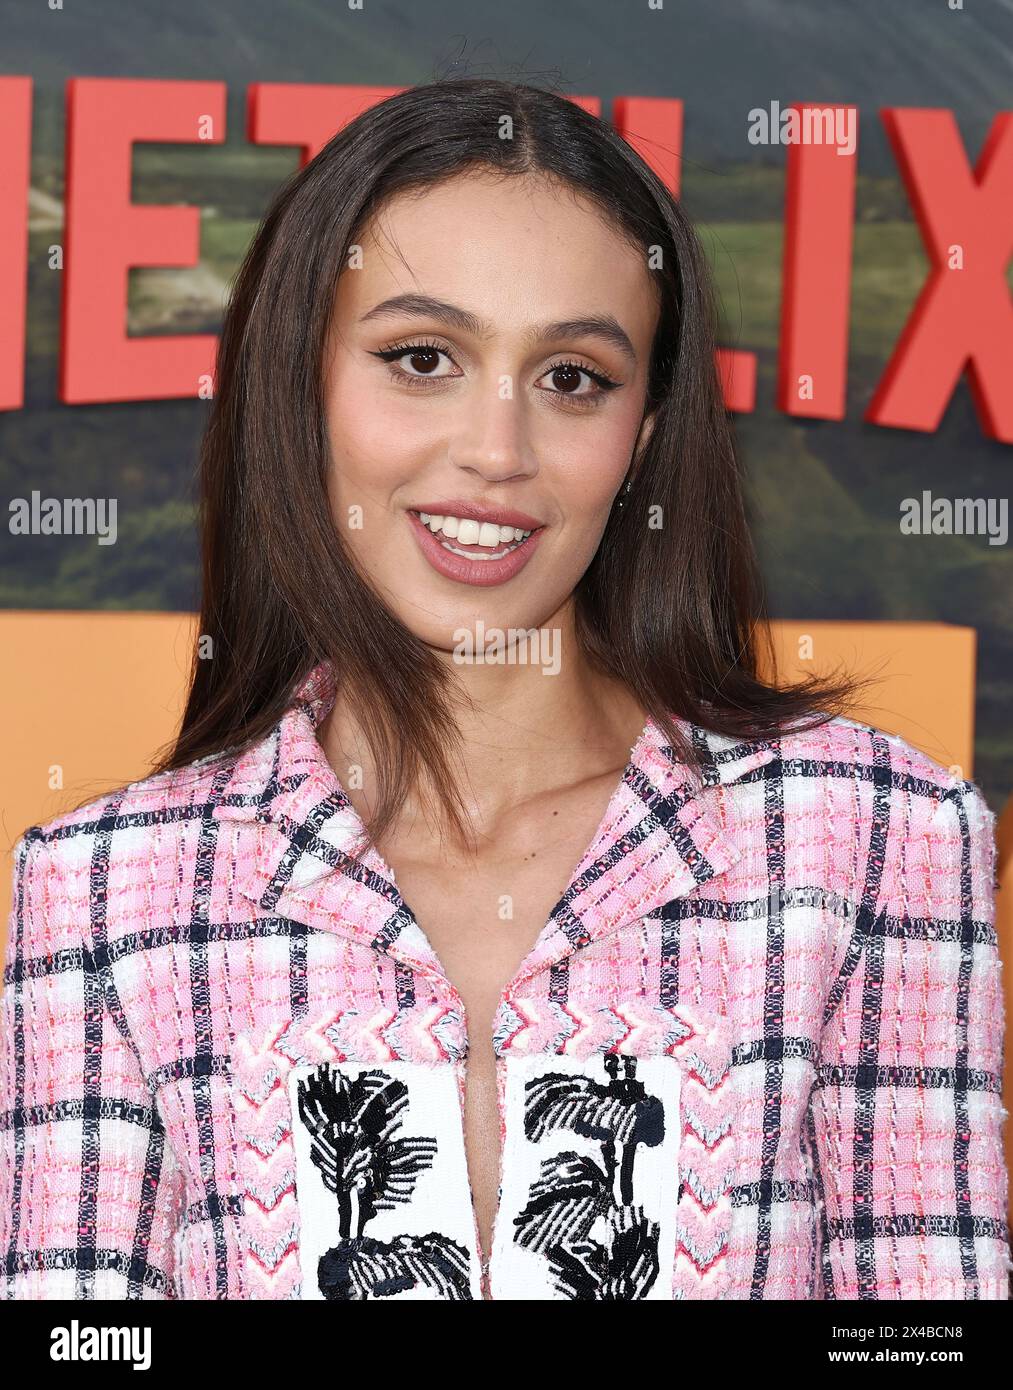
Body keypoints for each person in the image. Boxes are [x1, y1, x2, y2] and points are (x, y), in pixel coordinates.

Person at [2, 77, 1009, 1301]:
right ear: (300, 384)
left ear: (641, 432)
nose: (496, 449)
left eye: (573, 376)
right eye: (420, 357)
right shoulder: (103, 890)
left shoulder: (874, 837)